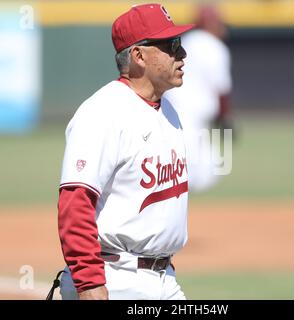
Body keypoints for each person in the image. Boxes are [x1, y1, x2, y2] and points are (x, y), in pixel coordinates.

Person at [57, 3, 194, 300]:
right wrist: (89, 282)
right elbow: (75, 202)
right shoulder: (102, 113)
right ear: (139, 55)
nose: (182, 54)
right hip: (114, 279)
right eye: (171, 45)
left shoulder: (168, 109)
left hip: (163, 279)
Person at [164, 4, 234, 192]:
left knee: (200, 168)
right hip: (191, 115)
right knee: (201, 173)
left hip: (172, 108)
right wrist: (225, 117)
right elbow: (222, 88)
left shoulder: (185, 42)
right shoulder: (215, 47)